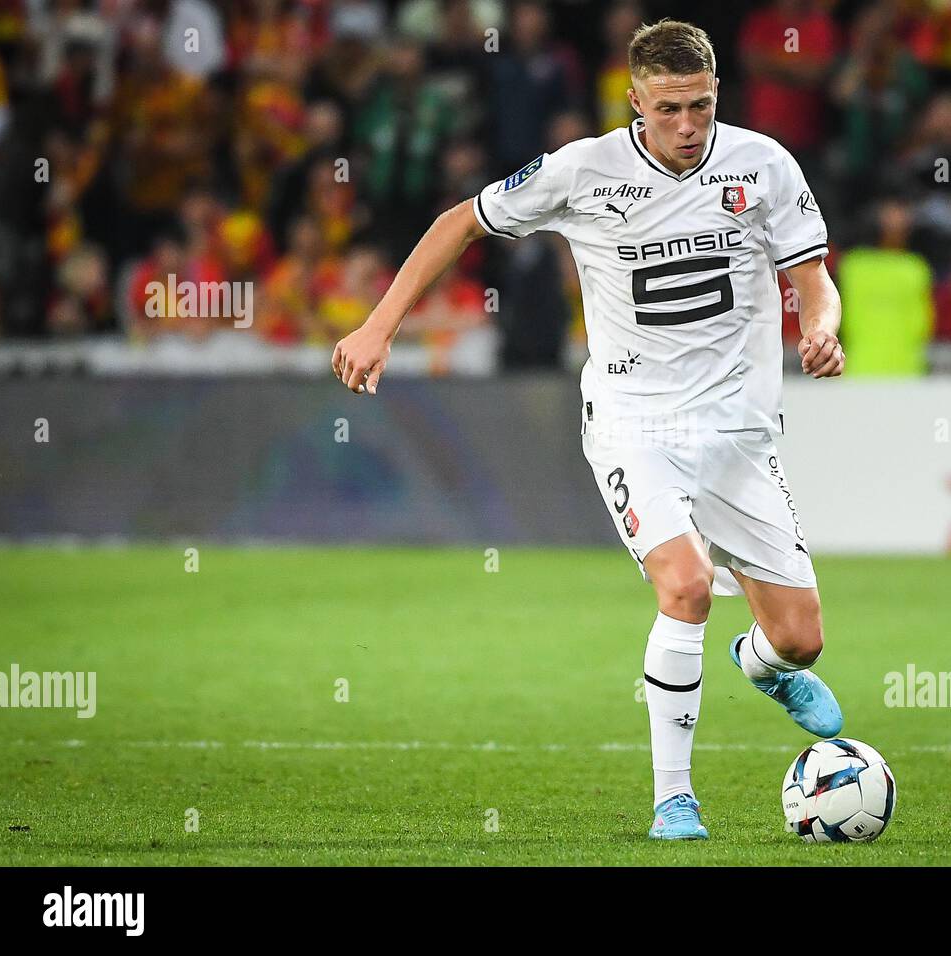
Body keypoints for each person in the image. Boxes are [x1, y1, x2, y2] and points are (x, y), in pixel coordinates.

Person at [331, 19, 846, 841]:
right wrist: (379, 327)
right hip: (633, 424)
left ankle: (763, 666)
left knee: (802, 639)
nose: (688, 127)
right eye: (670, 108)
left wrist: (822, 326)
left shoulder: (765, 165)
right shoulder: (583, 171)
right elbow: (458, 221)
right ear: (635, 100)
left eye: (703, 107)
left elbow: (813, 279)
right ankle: (673, 799)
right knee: (683, 585)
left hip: (739, 434)